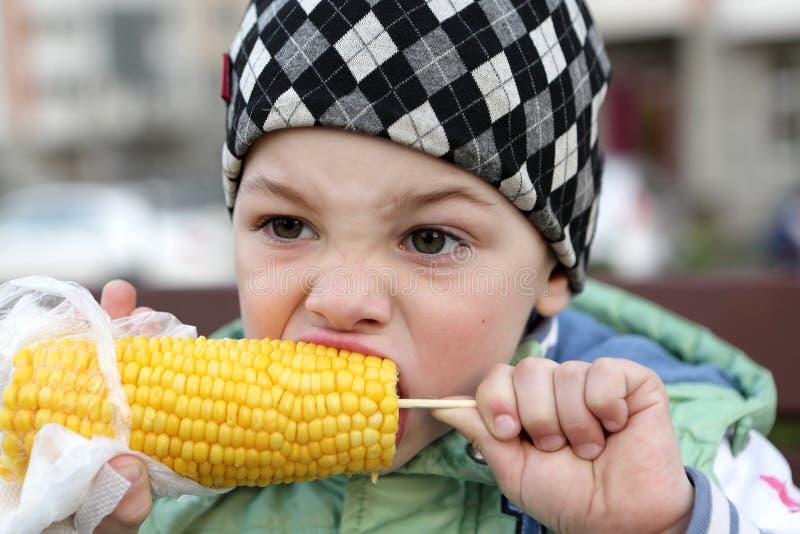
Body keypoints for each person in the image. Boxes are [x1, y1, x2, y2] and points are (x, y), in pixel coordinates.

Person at [93, 0, 799, 532]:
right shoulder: (161, 484)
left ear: (552, 273)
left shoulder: (691, 455)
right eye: (286, 225)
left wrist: (660, 525)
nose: (340, 300)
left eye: (429, 239)